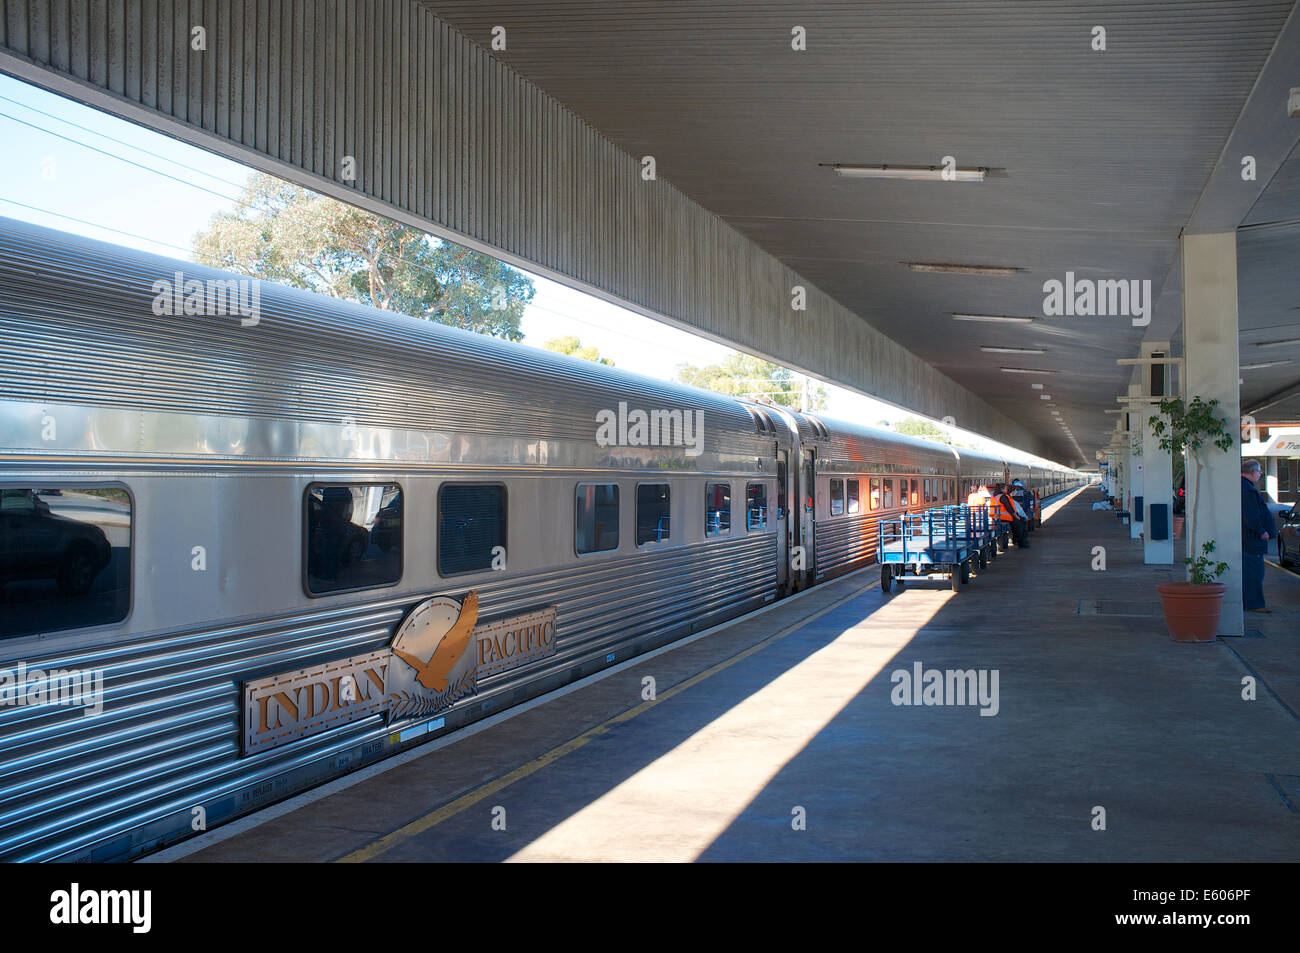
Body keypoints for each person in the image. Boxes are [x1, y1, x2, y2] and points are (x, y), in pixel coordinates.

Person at [1241, 459, 1275, 613]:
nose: (1260, 474)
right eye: (1259, 471)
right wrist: (1262, 531)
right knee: (1254, 572)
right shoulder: (1247, 490)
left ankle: (1254, 602)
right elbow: (1251, 515)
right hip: (1252, 540)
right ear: (1253, 472)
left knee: (1253, 571)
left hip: (1250, 539)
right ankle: (1255, 604)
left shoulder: (1246, 487)